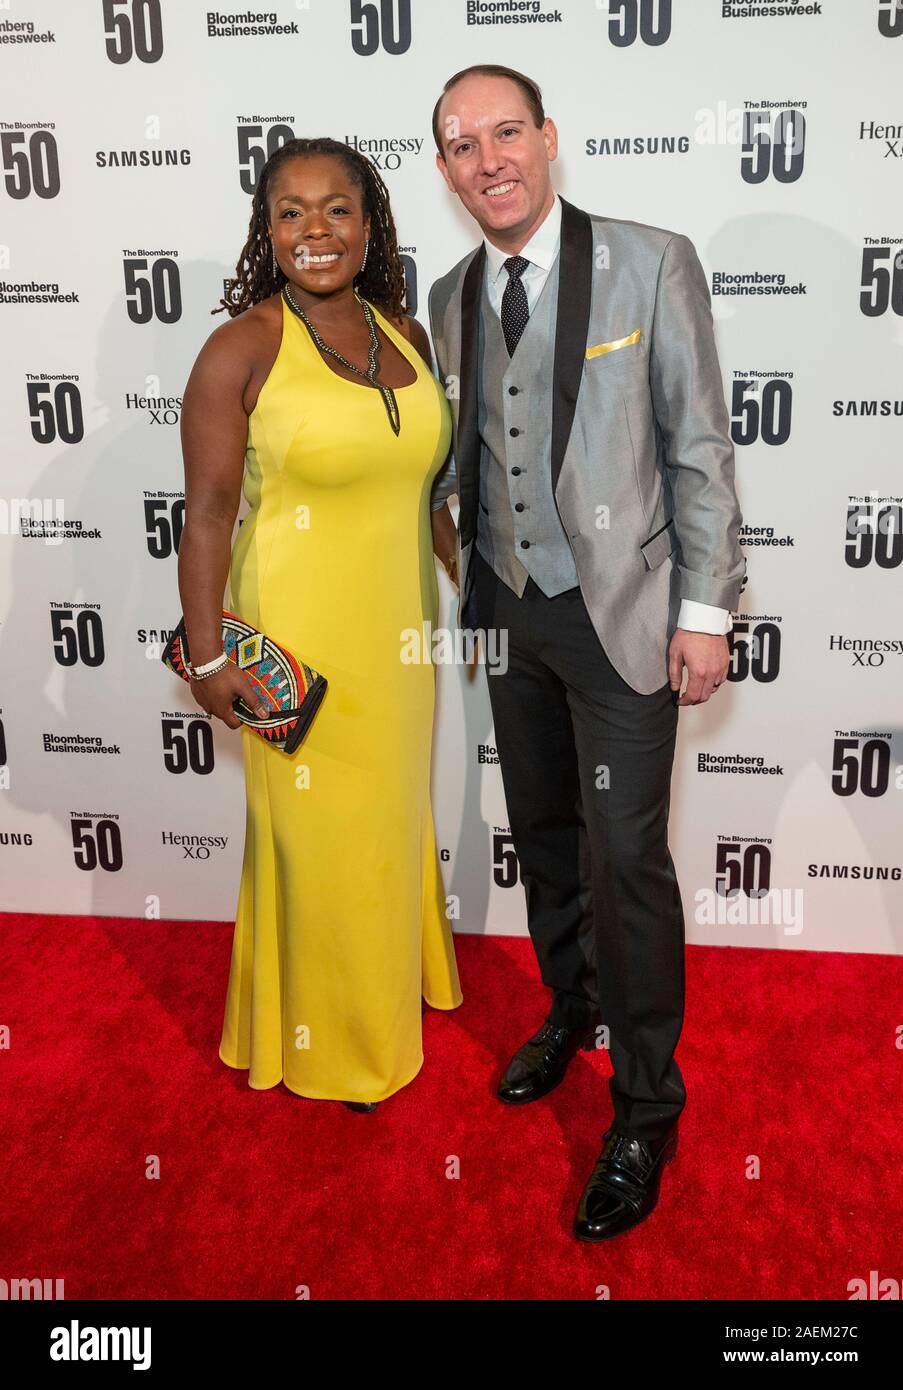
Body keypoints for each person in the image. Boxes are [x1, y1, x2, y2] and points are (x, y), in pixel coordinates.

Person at [427, 66, 746, 1237]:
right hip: (513, 614)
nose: (487, 159)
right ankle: (571, 1010)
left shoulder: (647, 259)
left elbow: (697, 445)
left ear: (547, 137)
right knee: (544, 837)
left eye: (505, 132)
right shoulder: (453, 293)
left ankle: (645, 1110)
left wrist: (704, 610)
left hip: (623, 614)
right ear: (447, 167)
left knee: (627, 860)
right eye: (461, 144)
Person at [176, 137, 462, 1112]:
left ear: (369, 224)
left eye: (336, 208)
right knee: (319, 840)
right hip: (298, 641)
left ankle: (384, 993)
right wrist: (208, 653)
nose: (314, 230)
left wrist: (473, 572)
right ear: (267, 231)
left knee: (385, 825)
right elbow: (208, 511)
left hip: (397, 636)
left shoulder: (406, 336)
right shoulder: (242, 348)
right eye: (290, 212)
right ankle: (334, 1045)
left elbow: (421, 490)